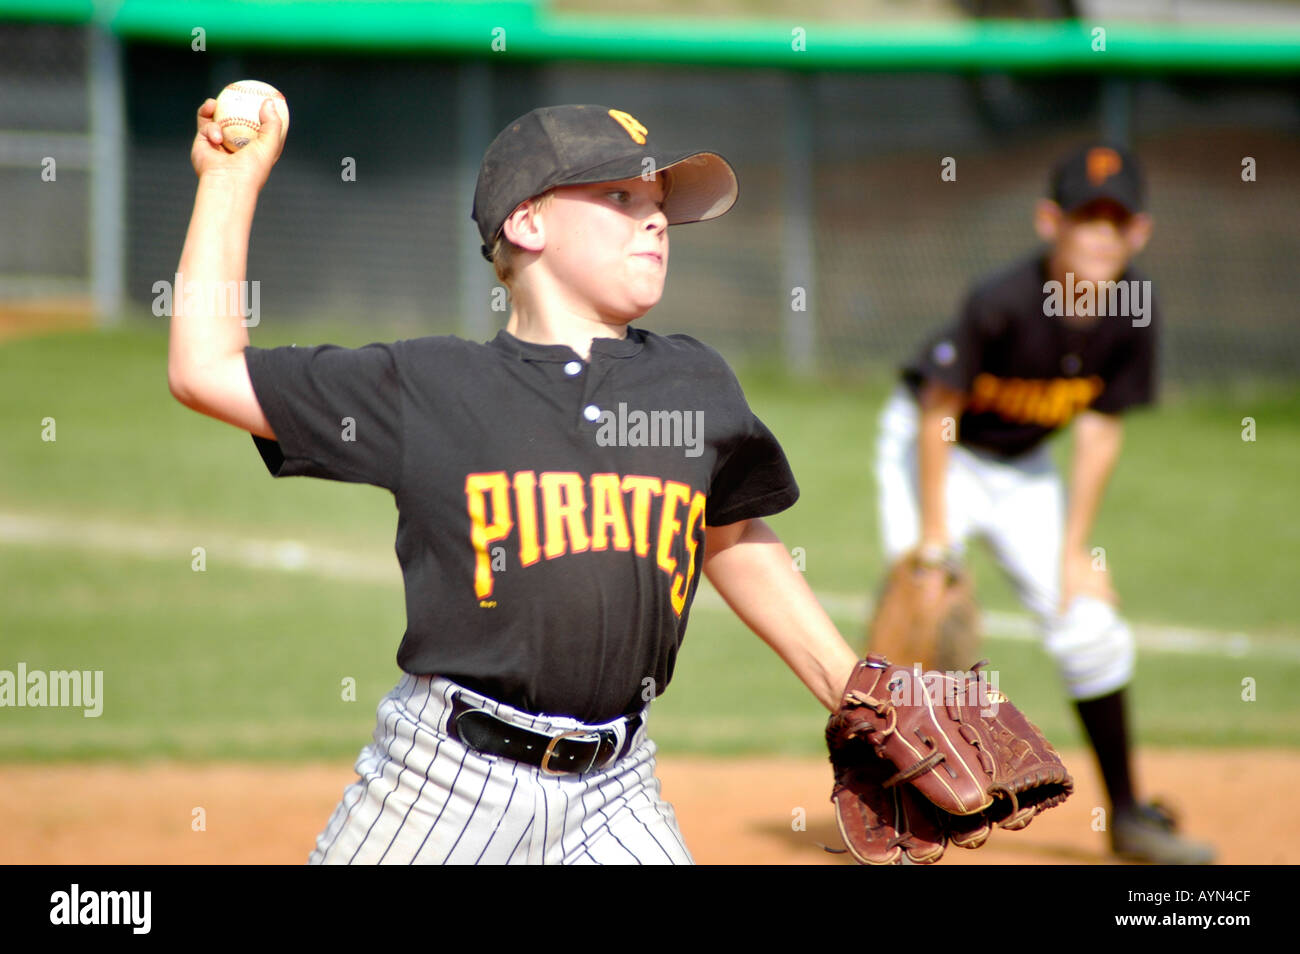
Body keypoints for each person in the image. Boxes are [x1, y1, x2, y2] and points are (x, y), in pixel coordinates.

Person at [168, 100, 859, 864]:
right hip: (445, 783)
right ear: (528, 224)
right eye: (621, 198)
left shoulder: (692, 382)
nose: (656, 221)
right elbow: (206, 371)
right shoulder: (429, 385)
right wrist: (230, 182)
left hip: (617, 789)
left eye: (660, 206)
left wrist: (853, 693)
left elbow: (726, 534)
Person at [874, 143, 1215, 864]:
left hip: (1024, 468)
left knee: (1087, 621)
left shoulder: (1132, 310)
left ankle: (1126, 815)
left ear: (1139, 233)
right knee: (920, 631)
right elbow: (939, 409)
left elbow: (1098, 430)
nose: (1099, 235)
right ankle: (895, 818)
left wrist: (1073, 553)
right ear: (1048, 221)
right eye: (1084, 218)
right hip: (933, 446)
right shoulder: (1001, 300)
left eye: (1114, 222)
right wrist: (935, 539)